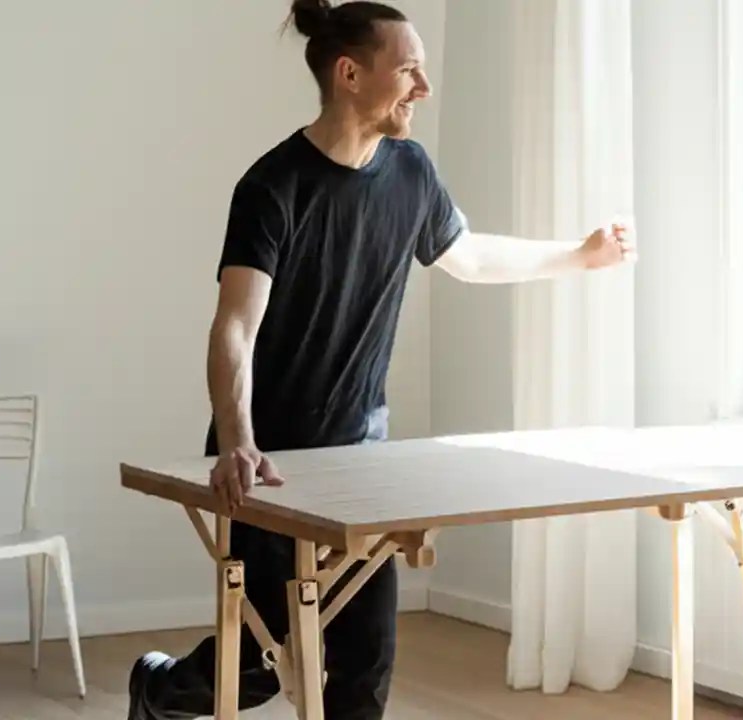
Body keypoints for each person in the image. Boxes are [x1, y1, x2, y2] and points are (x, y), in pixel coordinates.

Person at [126, 1, 635, 718]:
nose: (423, 87)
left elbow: (469, 257)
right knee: (260, 665)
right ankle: (157, 688)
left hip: (360, 459)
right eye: (409, 70)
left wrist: (581, 256)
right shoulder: (273, 188)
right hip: (270, 462)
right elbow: (235, 325)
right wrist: (237, 440)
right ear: (350, 74)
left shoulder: (412, 172)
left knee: (364, 661)